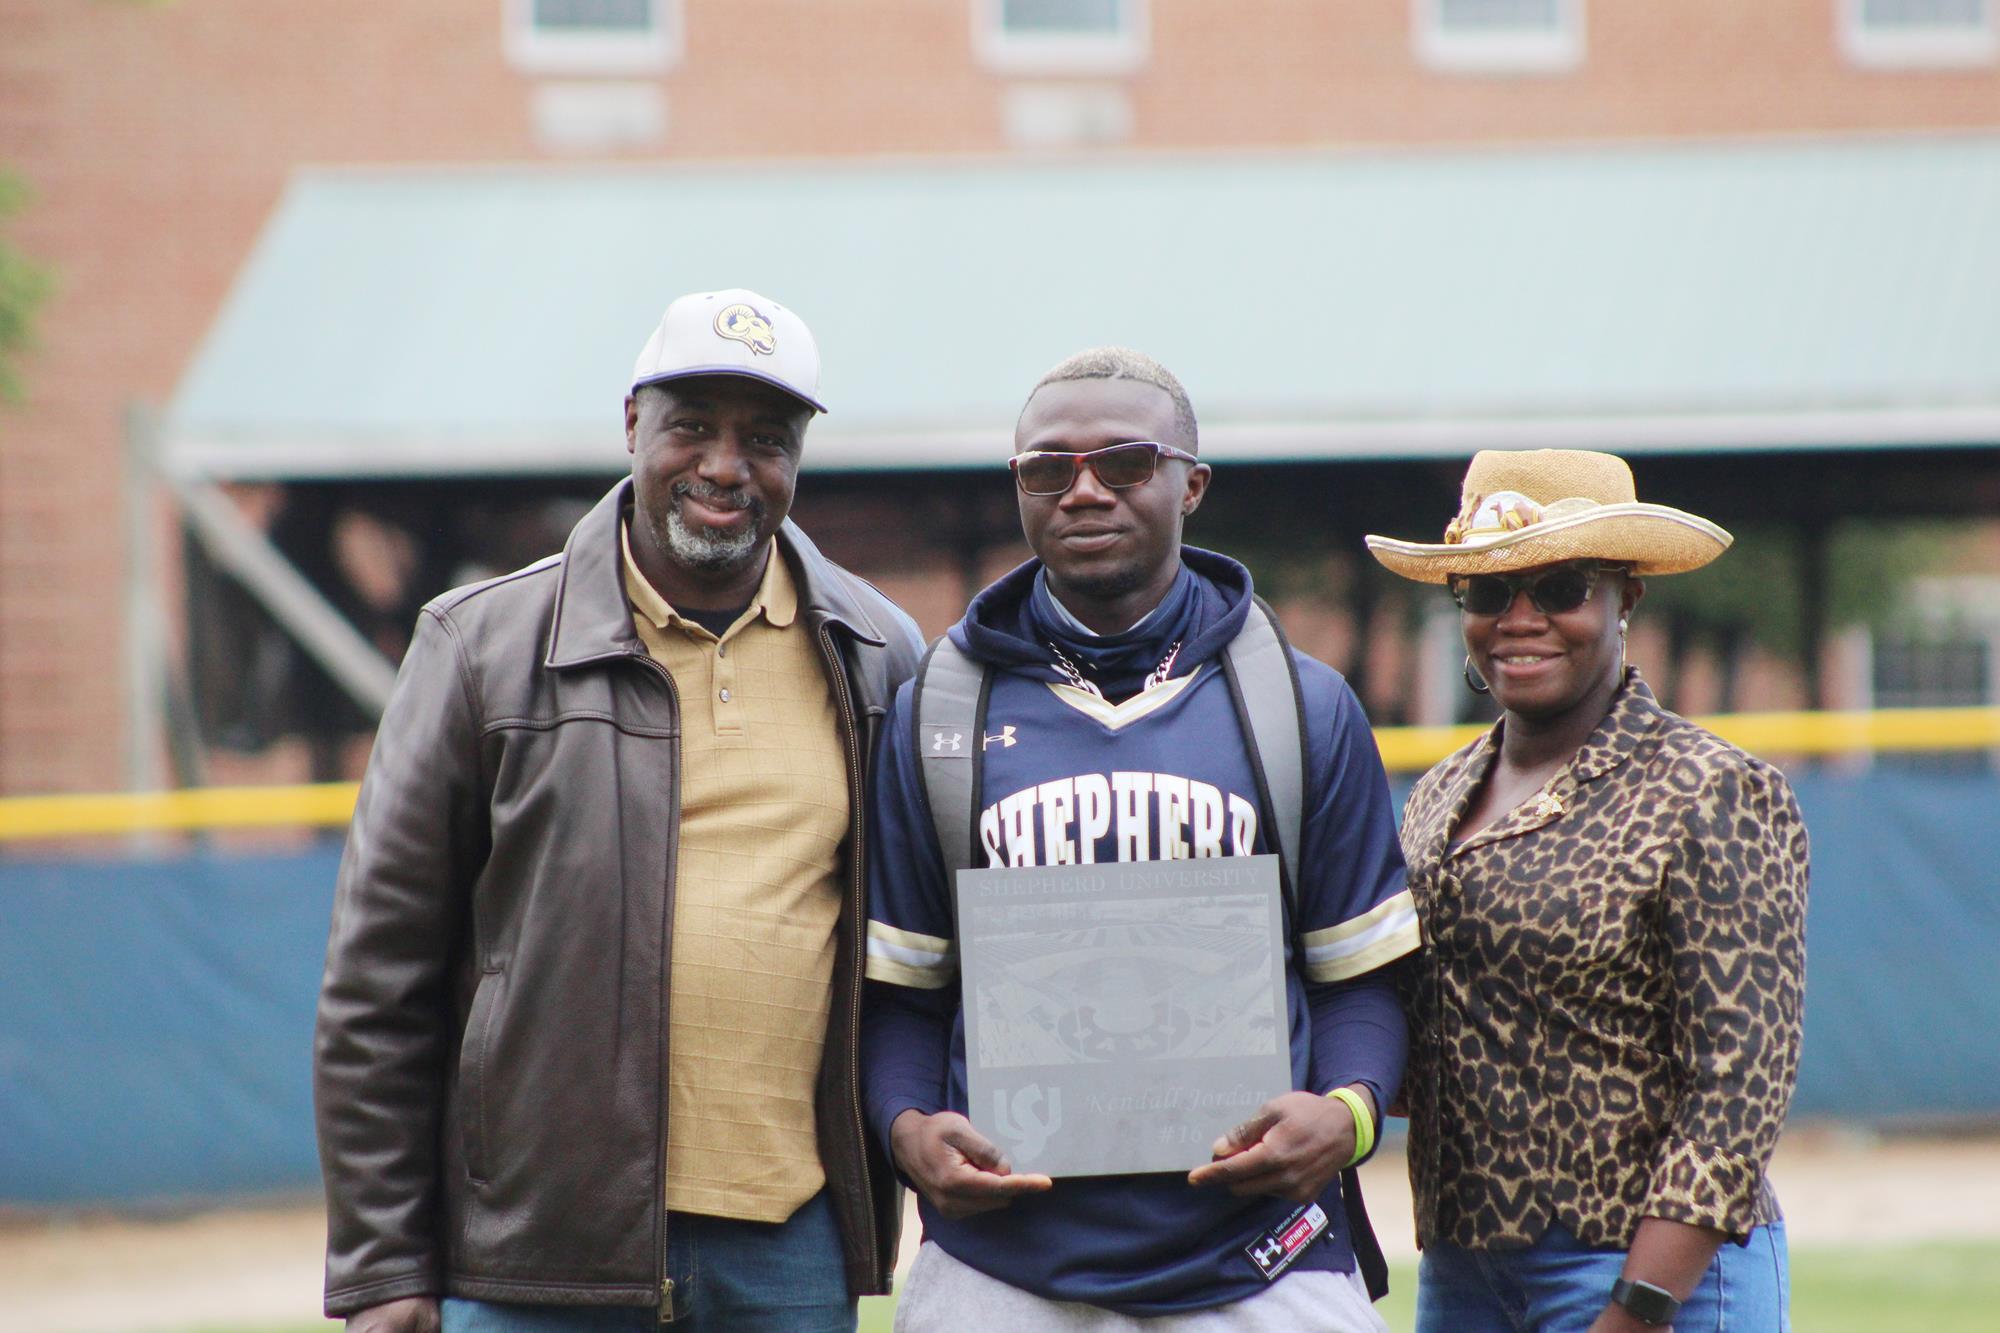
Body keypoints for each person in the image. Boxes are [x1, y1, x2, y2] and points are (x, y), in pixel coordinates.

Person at [314, 289, 923, 1332]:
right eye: (692, 425)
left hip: (789, 1244)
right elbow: (379, 983)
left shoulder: (876, 651)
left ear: (797, 458)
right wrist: (383, 1262)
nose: (726, 466)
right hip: (537, 1256)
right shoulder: (480, 645)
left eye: (764, 439)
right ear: (632, 423)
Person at [860, 348, 1421, 1331]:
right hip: (1004, 1266)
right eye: (1047, 469)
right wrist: (908, 1131)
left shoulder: (1298, 703)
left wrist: (1347, 1114)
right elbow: (900, 995)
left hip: (1262, 1257)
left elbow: (1358, 978)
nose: (1082, 491)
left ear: (1189, 483)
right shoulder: (935, 714)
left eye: (1121, 463)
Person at [1364, 448, 1807, 1332]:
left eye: (1561, 586)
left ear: (1625, 594)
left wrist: (1639, 1306)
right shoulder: (1439, 796)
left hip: (1648, 1274)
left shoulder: (1711, 788)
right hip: (1463, 1266)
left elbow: (1737, 1088)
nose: (1519, 618)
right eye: (1489, 593)